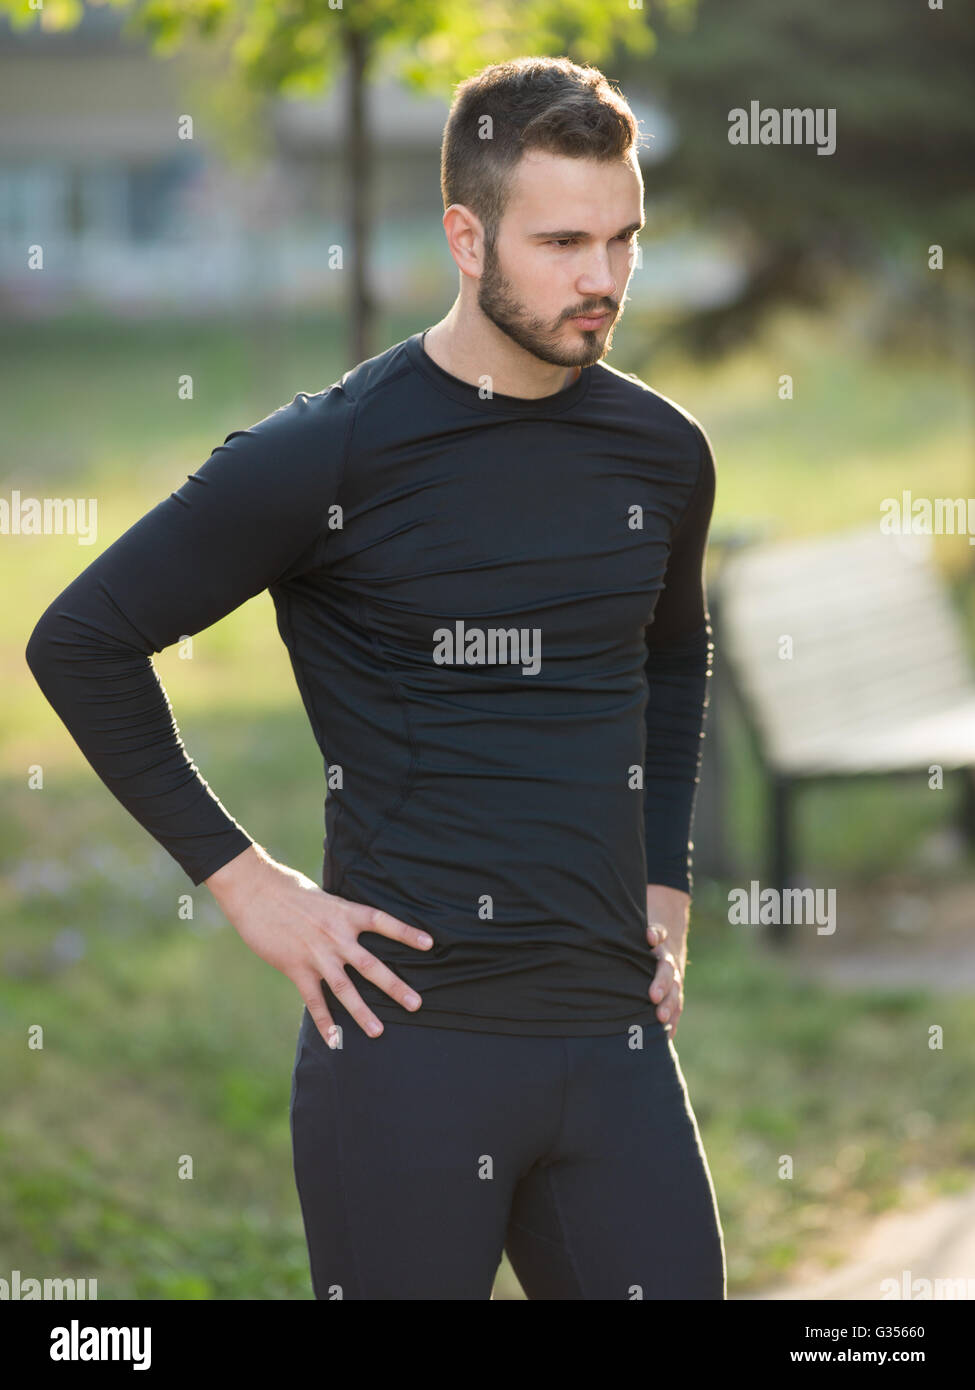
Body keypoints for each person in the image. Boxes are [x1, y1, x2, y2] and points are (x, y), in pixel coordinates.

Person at [26, 55, 726, 1300]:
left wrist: (666, 875)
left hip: (614, 1040)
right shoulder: (330, 452)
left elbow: (672, 655)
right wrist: (251, 888)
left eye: (625, 238)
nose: (604, 279)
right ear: (466, 235)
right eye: (564, 240)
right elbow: (82, 640)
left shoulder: (663, 452)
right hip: (409, 1054)